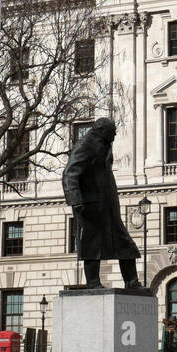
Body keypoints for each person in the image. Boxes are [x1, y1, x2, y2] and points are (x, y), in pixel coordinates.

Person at [62, 118, 141, 289]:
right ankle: (93, 283)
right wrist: (75, 199)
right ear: (103, 131)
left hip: (108, 205)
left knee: (125, 244)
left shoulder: (104, 144)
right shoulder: (85, 145)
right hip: (91, 206)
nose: (114, 136)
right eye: (112, 132)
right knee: (91, 245)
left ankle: (132, 282)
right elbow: (70, 173)